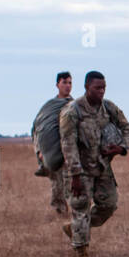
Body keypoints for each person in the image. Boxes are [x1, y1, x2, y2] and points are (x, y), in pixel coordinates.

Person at [59, 71, 129, 256]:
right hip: (79, 169)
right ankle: (81, 251)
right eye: (97, 88)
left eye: (104, 88)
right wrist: (75, 174)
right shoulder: (72, 111)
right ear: (86, 88)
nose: (101, 91)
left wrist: (121, 148)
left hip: (102, 167)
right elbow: (68, 144)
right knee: (80, 207)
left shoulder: (108, 108)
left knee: (109, 204)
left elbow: (126, 128)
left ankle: (75, 228)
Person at [34, 71, 73, 216]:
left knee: (72, 183)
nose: (67, 86)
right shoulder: (49, 106)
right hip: (52, 151)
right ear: (57, 85)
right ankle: (60, 213)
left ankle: (77, 212)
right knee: (57, 184)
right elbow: (39, 128)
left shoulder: (75, 105)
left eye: (69, 83)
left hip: (70, 150)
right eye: (64, 82)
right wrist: (40, 151)